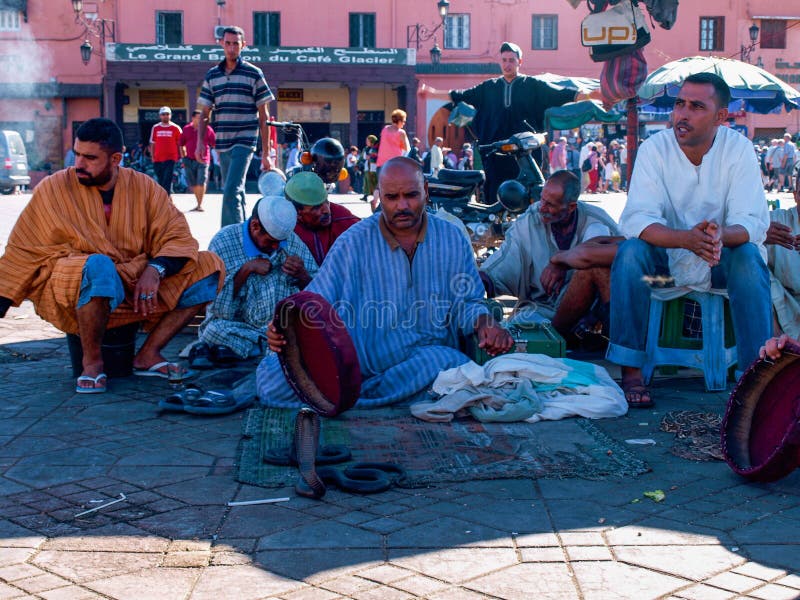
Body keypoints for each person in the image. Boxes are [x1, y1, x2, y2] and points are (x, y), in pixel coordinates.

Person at [258, 156, 513, 408]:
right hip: (358, 356)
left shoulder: (451, 238)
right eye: (392, 198)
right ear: (380, 195)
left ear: (425, 191)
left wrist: (484, 323)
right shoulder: (353, 241)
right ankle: (367, 393)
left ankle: (353, 397)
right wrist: (285, 327)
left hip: (421, 357)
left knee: (454, 365)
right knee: (273, 381)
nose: (402, 206)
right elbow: (317, 298)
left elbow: (468, 302)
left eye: (411, 195)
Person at [0, 118, 223, 392]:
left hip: (136, 286)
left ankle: (148, 354)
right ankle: (92, 363)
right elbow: (24, 248)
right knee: (99, 267)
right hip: (76, 284)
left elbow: (177, 237)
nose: (79, 164)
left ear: (116, 158)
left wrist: (156, 270)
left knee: (210, 265)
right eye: (77, 154)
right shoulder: (54, 187)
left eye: (90, 158)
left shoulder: (145, 187)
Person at [607, 72, 771, 408]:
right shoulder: (655, 150)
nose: (682, 114)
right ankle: (631, 372)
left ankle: (757, 377)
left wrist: (719, 235)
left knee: (750, 259)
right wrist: (685, 239)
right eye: (679, 104)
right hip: (663, 268)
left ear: (720, 116)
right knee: (630, 253)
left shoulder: (739, 151)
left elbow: (752, 223)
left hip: (719, 262)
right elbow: (638, 220)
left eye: (696, 106)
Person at [422, 42, 592, 210]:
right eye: (504, 60)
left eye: (511, 60)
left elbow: (561, 93)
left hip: (526, 155)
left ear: (520, 62)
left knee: (529, 200)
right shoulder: (489, 87)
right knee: (494, 200)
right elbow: (461, 95)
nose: (507, 64)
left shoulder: (532, 86)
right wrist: (433, 94)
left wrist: (592, 95)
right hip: (495, 154)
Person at [480, 170, 619, 340]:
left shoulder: (597, 222)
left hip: (588, 317)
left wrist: (562, 261)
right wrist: (477, 284)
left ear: (571, 207)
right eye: (542, 199)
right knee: (524, 331)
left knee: (596, 261)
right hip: (539, 311)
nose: (542, 207)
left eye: (550, 205)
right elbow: (500, 266)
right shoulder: (530, 221)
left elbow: (620, 271)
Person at [193, 196, 317, 366]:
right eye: (271, 241)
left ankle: (247, 349)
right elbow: (216, 306)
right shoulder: (223, 241)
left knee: (306, 330)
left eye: (279, 243)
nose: (276, 247)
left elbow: (317, 289)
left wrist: (302, 274)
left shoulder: (291, 241)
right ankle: (267, 346)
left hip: (282, 326)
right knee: (212, 331)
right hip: (238, 325)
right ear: (255, 226)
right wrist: (246, 270)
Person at [196, 25, 274, 227]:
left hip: (245, 139)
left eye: (236, 44)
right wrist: (200, 144)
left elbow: (264, 115)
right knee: (236, 190)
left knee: (230, 189)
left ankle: (228, 235)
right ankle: (246, 232)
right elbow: (204, 113)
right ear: (221, 44)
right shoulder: (212, 75)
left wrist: (266, 152)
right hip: (222, 141)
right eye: (228, 43)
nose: (231, 48)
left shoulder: (254, 73)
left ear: (243, 45)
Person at [285, 171, 360, 266]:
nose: (326, 210)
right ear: (297, 214)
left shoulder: (344, 219)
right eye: (316, 207)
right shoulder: (284, 227)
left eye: (326, 202)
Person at [765, 185, 800, 338]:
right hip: (782, 307)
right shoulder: (776, 222)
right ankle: (776, 339)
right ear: (795, 195)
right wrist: (760, 234)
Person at [179, 109, 216, 212]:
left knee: (201, 181)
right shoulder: (186, 129)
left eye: (202, 118)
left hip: (203, 159)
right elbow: (181, 144)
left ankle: (200, 204)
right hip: (189, 160)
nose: (200, 120)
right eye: (198, 117)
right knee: (193, 183)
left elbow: (214, 143)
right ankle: (198, 202)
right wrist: (183, 157)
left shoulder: (207, 129)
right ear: (193, 118)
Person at [149, 106, 182, 194]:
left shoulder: (176, 128)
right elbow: (152, 143)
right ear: (160, 116)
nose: (165, 116)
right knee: (160, 178)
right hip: (158, 158)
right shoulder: (155, 128)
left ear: (170, 115)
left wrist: (182, 156)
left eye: (167, 114)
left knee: (167, 178)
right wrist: (152, 156)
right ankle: (165, 197)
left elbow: (181, 144)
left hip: (171, 157)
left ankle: (166, 197)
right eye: (163, 114)